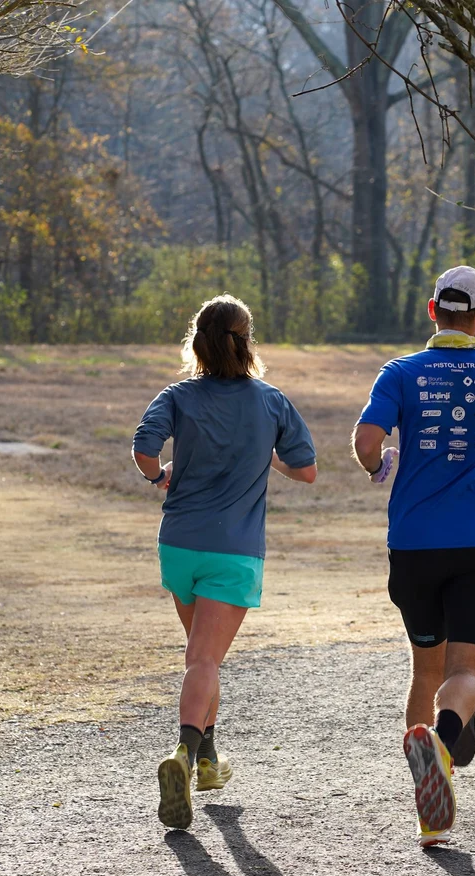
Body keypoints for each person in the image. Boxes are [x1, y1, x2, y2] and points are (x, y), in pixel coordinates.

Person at [352, 265, 475, 847]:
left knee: (425, 668)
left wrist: (379, 464)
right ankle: (445, 735)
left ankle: (429, 811)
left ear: (433, 312)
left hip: (415, 546)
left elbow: (367, 442)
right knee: (465, 671)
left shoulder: (401, 372)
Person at [132, 295, 317, 830]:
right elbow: (306, 471)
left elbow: (145, 448)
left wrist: (158, 476)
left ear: (198, 343)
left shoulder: (177, 395)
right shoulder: (270, 400)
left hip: (179, 545)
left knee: (199, 656)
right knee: (204, 662)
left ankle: (209, 761)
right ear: (247, 342)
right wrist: (268, 458)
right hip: (233, 550)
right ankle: (184, 757)